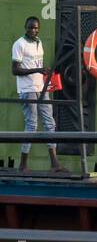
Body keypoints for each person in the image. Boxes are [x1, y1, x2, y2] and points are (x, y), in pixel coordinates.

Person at [11, 16, 65, 173]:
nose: (33, 30)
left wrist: (45, 75)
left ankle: (55, 164)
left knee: (50, 123)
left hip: (41, 88)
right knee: (31, 125)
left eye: (35, 28)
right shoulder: (19, 44)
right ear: (25, 27)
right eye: (30, 27)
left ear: (38, 28)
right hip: (27, 90)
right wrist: (37, 70)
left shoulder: (39, 43)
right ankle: (23, 165)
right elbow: (15, 70)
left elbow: (37, 65)